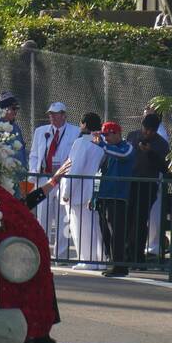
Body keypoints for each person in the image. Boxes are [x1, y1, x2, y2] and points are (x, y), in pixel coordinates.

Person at [30, 102, 78, 258]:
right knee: (42, 217)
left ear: (64, 115)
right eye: (50, 114)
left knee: (62, 219)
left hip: (63, 180)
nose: (52, 117)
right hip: (44, 178)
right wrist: (33, 174)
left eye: (56, 114)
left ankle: (61, 255)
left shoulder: (75, 131)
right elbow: (34, 155)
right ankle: (41, 253)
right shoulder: (40, 131)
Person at [61, 112, 105, 269]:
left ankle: (87, 260)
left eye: (81, 123)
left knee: (80, 228)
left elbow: (75, 168)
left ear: (85, 125)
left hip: (78, 192)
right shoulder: (100, 143)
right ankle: (98, 260)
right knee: (93, 227)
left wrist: (66, 192)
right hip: (91, 191)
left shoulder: (81, 142)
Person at [91, 121, 135, 277]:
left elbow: (123, 155)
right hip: (104, 194)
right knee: (107, 230)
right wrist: (94, 196)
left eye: (107, 135)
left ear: (117, 133)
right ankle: (113, 262)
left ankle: (119, 265)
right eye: (104, 135)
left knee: (117, 231)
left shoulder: (127, 147)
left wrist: (103, 146)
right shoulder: (107, 150)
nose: (106, 138)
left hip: (118, 195)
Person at [126, 113, 170, 264]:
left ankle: (138, 255)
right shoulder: (132, 136)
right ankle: (126, 253)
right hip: (129, 183)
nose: (147, 133)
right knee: (127, 219)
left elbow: (164, 167)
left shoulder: (161, 144)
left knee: (140, 220)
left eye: (151, 130)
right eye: (145, 129)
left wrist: (150, 153)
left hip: (147, 185)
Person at [0, 92, 29, 172]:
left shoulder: (16, 128)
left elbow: (22, 151)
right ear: (4, 109)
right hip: (3, 175)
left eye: (17, 108)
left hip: (20, 175)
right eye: (13, 108)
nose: (16, 111)